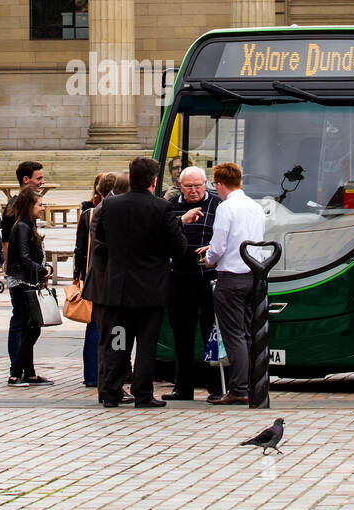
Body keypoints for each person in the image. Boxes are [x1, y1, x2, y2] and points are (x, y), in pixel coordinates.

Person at [90, 157, 186, 408]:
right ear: (154, 181)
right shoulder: (161, 208)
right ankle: (142, 394)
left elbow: (101, 237)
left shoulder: (110, 205)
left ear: (131, 178)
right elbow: (179, 247)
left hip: (119, 290)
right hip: (149, 291)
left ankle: (111, 391)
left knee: (118, 342)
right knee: (146, 344)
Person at [200, 161, 265, 405]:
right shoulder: (255, 206)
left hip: (230, 277)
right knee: (248, 333)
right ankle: (251, 382)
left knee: (233, 335)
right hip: (252, 275)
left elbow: (219, 246)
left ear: (219, 184)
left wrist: (208, 258)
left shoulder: (226, 208)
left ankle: (238, 388)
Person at [163, 165, 220, 401]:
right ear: (180, 186)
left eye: (198, 185)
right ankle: (183, 386)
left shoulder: (217, 205)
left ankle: (216, 386)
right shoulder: (171, 206)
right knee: (182, 335)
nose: (194, 190)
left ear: (205, 183)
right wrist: (180, 220)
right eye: (189, 186)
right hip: (179, 277)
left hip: (208, 278)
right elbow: (161, 231)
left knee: (212, 333)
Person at [1, 161, 46, 375]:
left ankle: (27, 368)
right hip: (21, 276)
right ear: (26, 180)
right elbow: (9, 245)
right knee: (21, 321)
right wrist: (14, 272)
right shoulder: (15, 209)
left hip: (27, 274)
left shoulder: (29, 207)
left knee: (29, 324)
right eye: (39, 178)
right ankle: (16, 366)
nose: (42, 182)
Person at [5, 188, 52, 387]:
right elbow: (24, 258)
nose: (42, 208)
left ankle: (29, 372)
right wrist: (42, 271)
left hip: (25, 281)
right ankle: (16, 373)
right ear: (29, 206)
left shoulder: (26, 225)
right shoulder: (22, 227)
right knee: (30, 329)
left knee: (30, 327)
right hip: (22, 282)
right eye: (39, 205)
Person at [74, 172, 117, 387]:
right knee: (111, 328)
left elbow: (80, 249)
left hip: (92, 276)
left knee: (93, 327)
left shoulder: (88, 213)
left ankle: (91, 375)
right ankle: (109, 373)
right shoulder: (110, 211)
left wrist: (77, 276)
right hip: (110, 276)